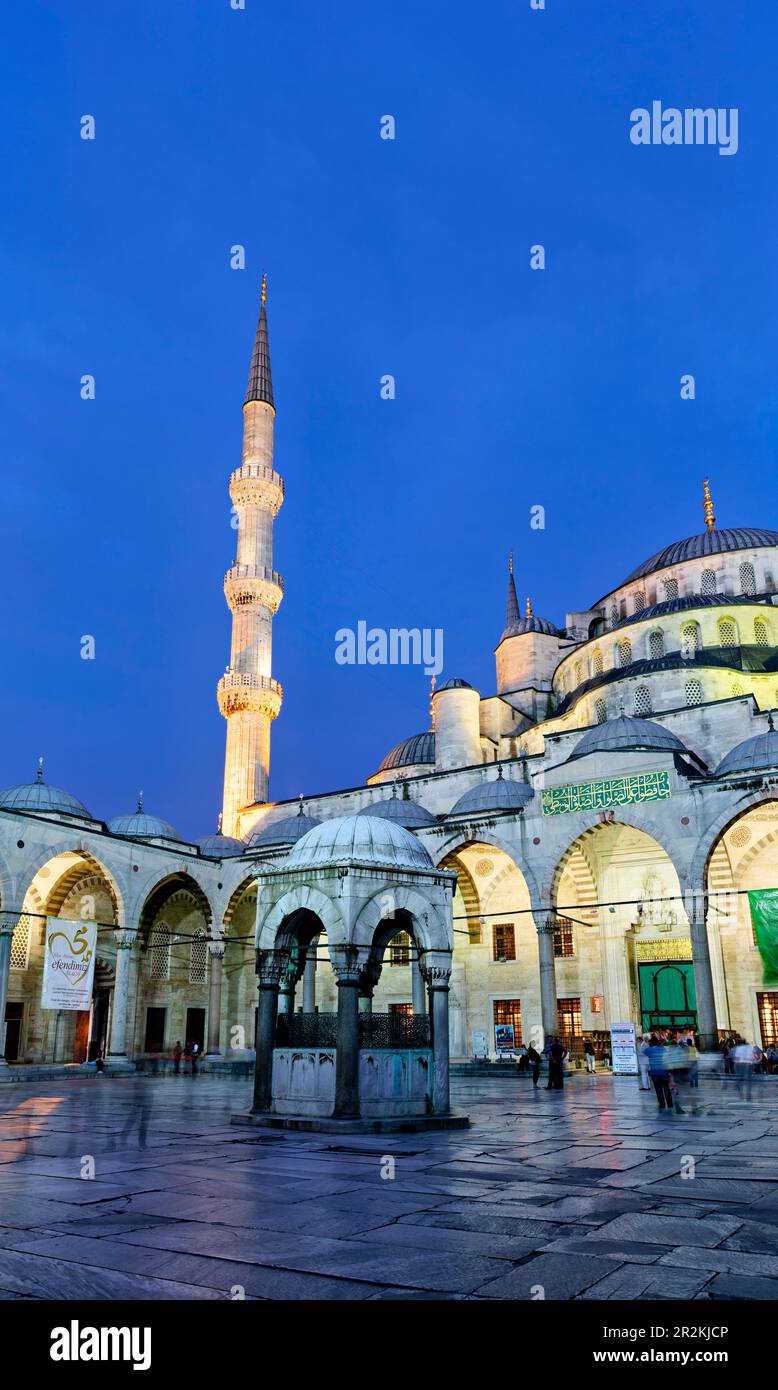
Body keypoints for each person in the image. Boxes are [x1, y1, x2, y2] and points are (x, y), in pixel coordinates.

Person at [647, 1034, 673, 1112]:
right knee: (666, 1089)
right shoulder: (663, 1049)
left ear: (651, 1043)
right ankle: (670, 1104)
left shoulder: (649, 1050)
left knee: (658, 1090)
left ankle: (662, 1104)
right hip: (664, 1072)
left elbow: (642, 1052)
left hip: (655, 1073)